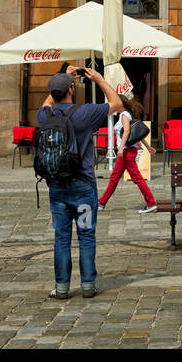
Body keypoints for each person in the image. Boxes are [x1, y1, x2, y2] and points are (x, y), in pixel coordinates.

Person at [37, 66, 123, 300]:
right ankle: (87, 285)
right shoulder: (84, 113)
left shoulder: (45, 116)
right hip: (83, 186)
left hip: (57, 188)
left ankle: (62, 287)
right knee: (86, 235)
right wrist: (98, 79)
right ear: (72, 90)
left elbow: (47, 103)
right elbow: (117, 104)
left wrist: (62, 78)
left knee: (62, 237)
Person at [97, 95, 157, 213]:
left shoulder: (124, 115)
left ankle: (151, 203)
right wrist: (148, 147)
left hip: (126, 152)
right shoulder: (127, 114)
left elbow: (128, 132)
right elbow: (137, 133)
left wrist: (120, 149)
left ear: (119, 103)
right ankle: (102, 202)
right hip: (127, 151)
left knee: (135, 178)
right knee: (116, 178)